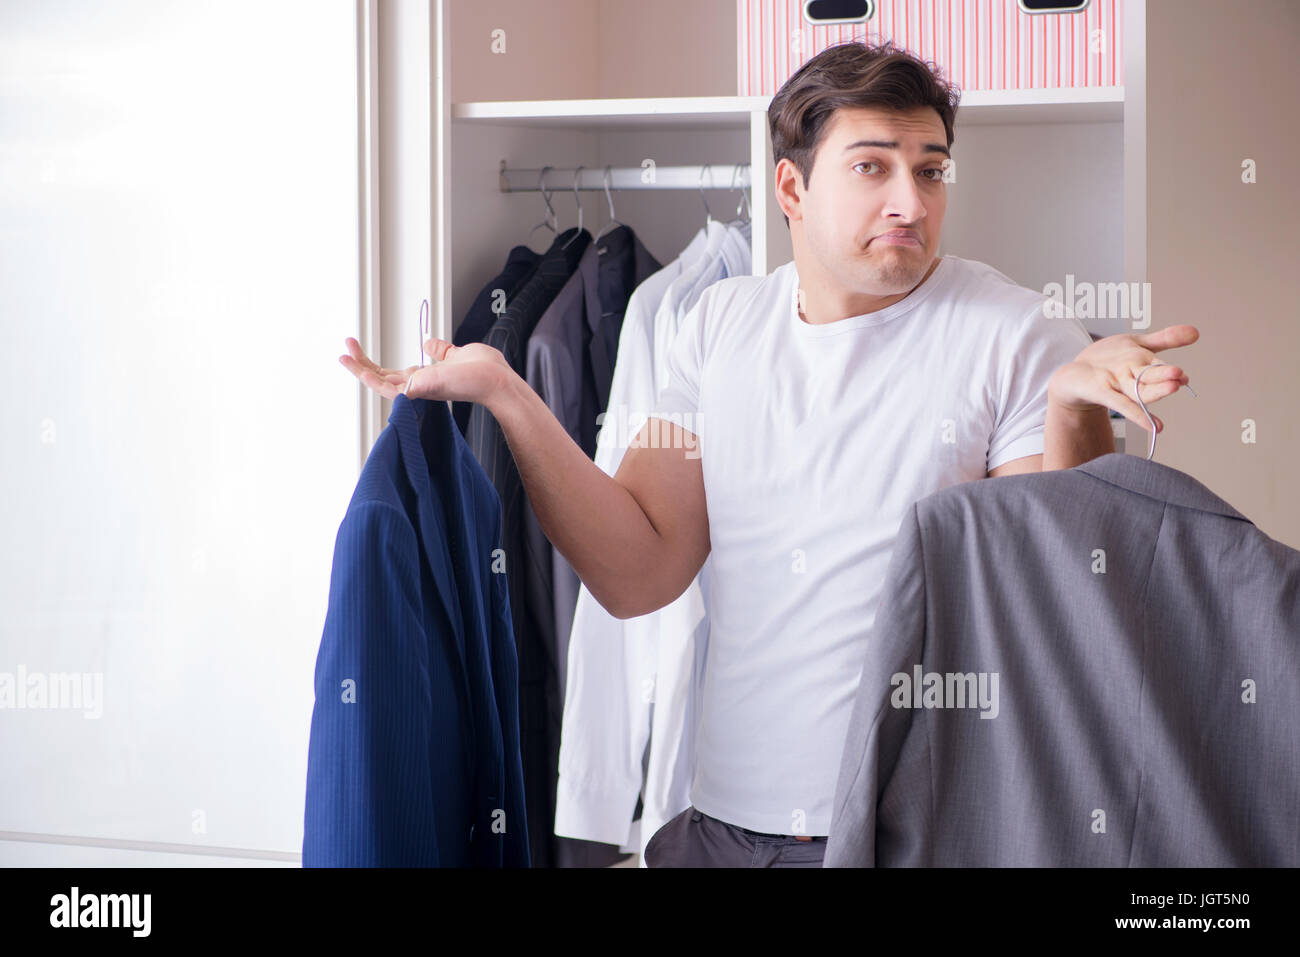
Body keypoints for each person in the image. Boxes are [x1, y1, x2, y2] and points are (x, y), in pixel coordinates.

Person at [339, 41, 1197, 867]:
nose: (912, 199)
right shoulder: (713, 327)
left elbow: (1057, 598)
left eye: (930, 169)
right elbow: (639, 569)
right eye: (873, 166)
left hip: (918, 830)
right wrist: (506, 393)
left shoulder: (1014, 333)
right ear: (790, 185)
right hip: (724, 824)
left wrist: (1073, 407)